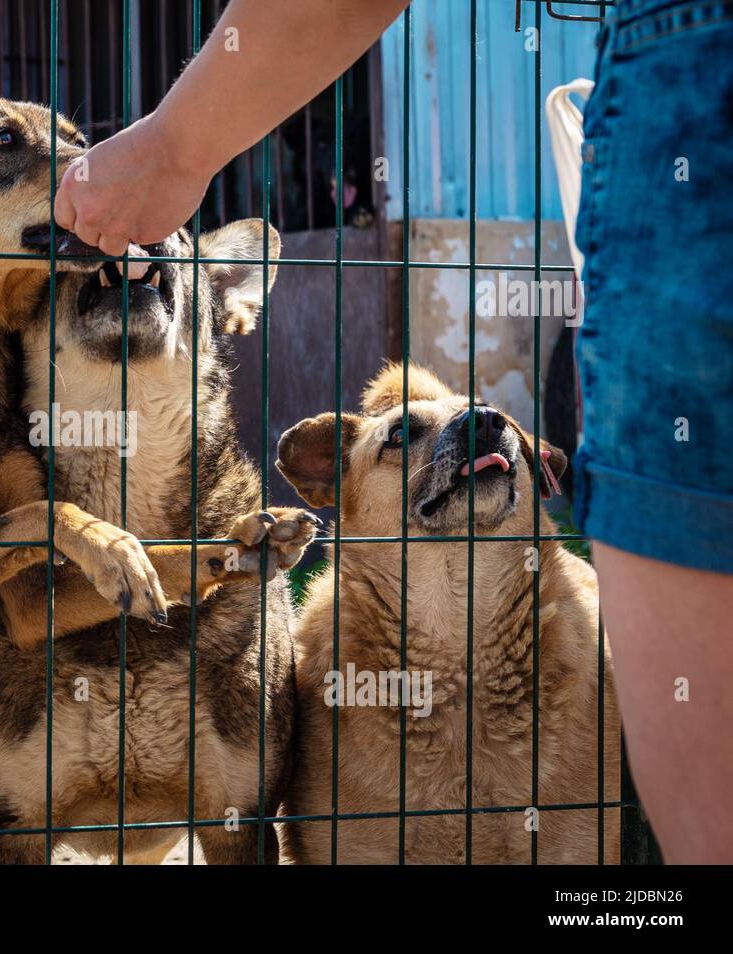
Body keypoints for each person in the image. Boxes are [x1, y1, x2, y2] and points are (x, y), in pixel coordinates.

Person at [55, 0, 733, 864]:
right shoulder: (330, 679)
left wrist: (175, 147)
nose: (481, 425)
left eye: (499, 431)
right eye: (402, 438)